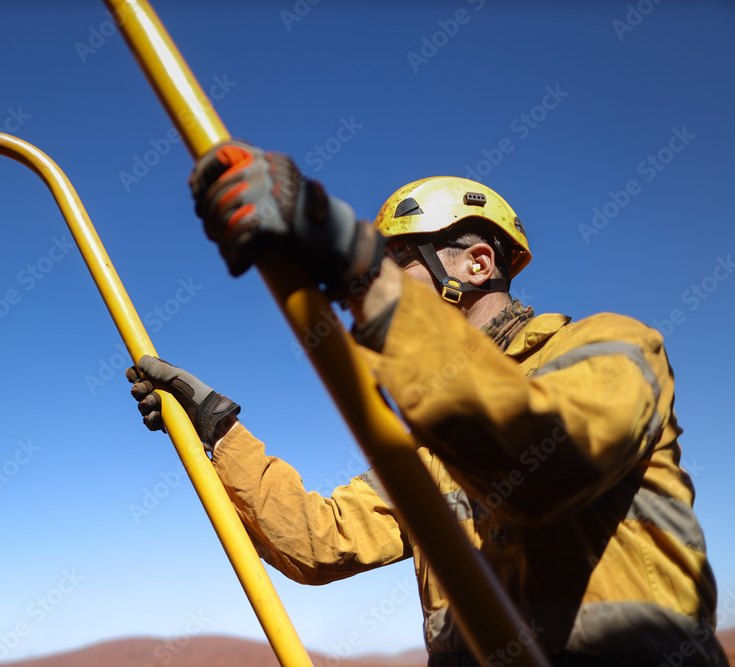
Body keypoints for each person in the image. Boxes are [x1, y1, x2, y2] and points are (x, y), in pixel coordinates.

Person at [126, 141, 728, 666]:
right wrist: (216, 428)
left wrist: (354, 263)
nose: (379, 279)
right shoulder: (431, 446)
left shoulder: (610, 346)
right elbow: (314, 540)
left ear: (477, 263)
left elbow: (544, 463)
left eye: (399, 261)